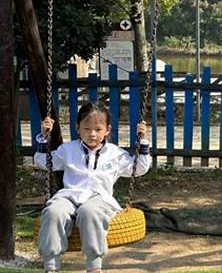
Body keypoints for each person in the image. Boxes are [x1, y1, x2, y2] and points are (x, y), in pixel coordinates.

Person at [34, 101, 151, 273]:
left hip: (99, 198)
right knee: (53, 212)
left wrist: (143, 142)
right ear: (78, 128)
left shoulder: (115, 154)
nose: (92, 134)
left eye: (98, 129)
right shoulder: (68, 149)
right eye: (87, 129)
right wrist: (44, 138)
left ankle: (94, 266)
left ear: (107, 130)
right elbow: (44, 162)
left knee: (89, 212)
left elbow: (139, 168)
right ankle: (51, 266)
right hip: (69, 196)